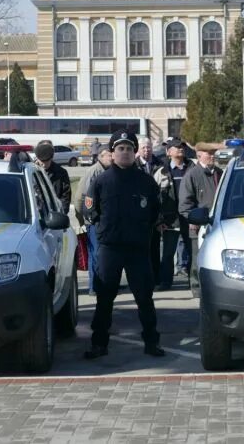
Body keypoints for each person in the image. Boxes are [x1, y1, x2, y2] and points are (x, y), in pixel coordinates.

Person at [84, 130, 164, 359]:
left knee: (144, 298)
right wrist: (104, 231)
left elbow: (155, 211)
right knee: (104, 298)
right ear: (112, 152)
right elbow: (90, 211)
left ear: (135, 151)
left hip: (138, 249)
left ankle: (151, 342)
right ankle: (99, 343)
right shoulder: (101, 181)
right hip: (111, 248)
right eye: (120, 148)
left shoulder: (146, 182)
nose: (125, 153)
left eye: (129, 148)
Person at [178, 142, 222, 292]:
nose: (212, 156)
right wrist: (192, 218)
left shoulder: (219, 173)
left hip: (218, 224)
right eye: (208, 153)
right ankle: (196, 288)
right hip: (199, 224)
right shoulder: (192, 174)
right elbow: (185, 203)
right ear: (199, 155)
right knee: (198, 259)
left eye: (213, 153)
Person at [151, 138, 191, 290]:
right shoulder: (162, 172)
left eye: (182, 146)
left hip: (190, 218)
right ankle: (165, 282)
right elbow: (155, 198)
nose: (180, 149)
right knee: (168, 254)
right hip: (169, 220)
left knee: (192, 252)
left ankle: (194, 283)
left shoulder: (192, 168)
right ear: (168, 152)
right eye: (176, 147)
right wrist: (159, 220)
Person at [76, 146, 112, 295]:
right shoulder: (93, 172)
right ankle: (94, 286)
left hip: (108, 221)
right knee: (96, 254)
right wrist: (82, 220)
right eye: (109, 155)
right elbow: (80, 198)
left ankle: (106, 284)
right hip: (94, 221)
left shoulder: (111, 172)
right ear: (100, 157)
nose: (112, 157)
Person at [33, 140, 73, 224]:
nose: (43, 164)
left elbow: (65, 196)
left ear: (51, 156)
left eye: (46, 161)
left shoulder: (61, 173)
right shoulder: (31, 171)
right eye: (41, 161)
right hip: (35, 217)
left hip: (54, 217)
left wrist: (61, 214)